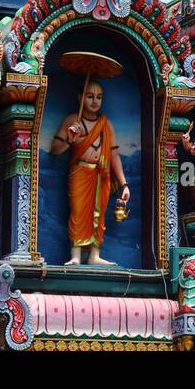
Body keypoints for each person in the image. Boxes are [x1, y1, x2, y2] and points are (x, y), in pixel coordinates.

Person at [50, 79, 129, 265]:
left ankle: (94, 255)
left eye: (99, 97)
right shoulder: (72, 120)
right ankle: (75, 255)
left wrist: (124, 184)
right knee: (78, 212)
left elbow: (114, 155)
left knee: (99, 214)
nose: (95, 101)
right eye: (90, 96)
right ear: (80, 98)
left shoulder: (105, 124)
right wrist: (70, 138)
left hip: (101, 174)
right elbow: (55, 149)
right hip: (80, 171)